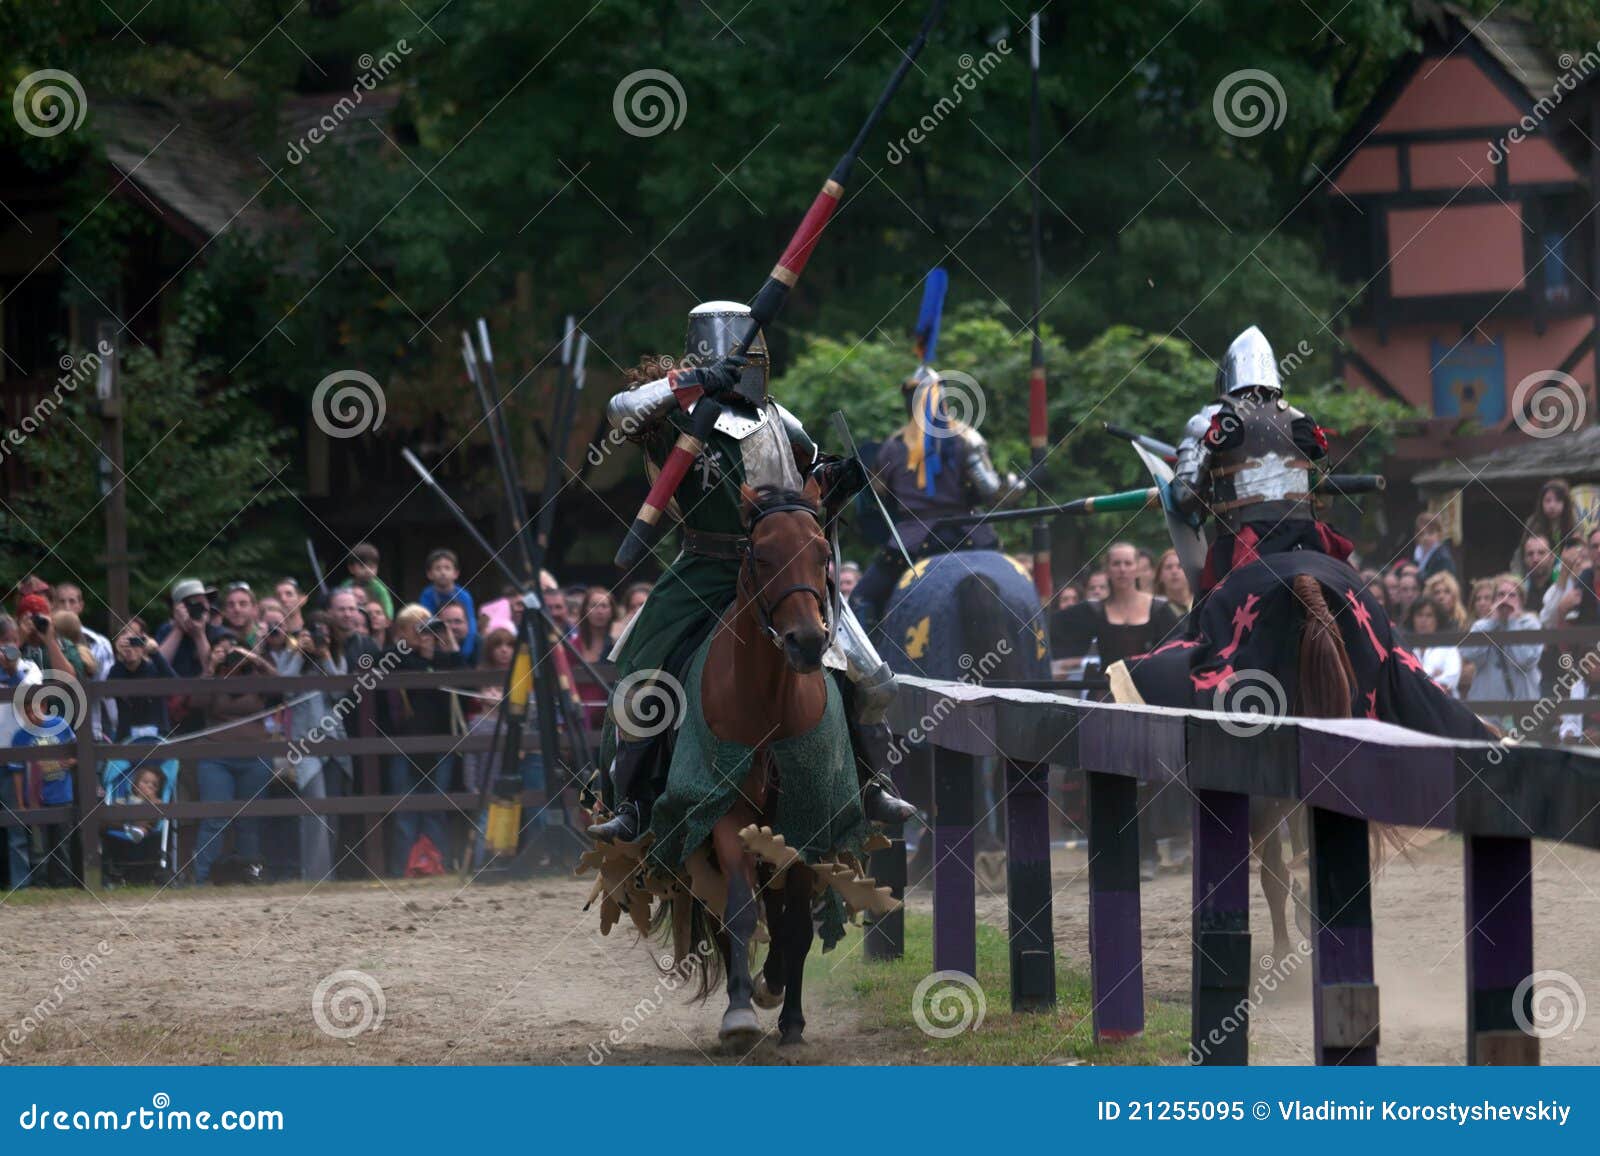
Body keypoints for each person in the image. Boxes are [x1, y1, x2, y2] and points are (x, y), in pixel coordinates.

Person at [589, 299, 912, 842]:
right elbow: (620, 410)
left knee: (869, 674)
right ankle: (637, 802)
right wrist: (689, 383)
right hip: (702, 568)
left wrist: (840, 477)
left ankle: (868, 783)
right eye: (734, 362)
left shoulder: (778, 420)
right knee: (644, 676)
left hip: (779, 569)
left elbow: (807, 483)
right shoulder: (674, 418)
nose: (747, 370)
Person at [1169, 325, 1344, 595]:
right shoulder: (1303, 423)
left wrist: (1205, 494)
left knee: (1205, 623)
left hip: (1245, 544)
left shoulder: (1211, 422)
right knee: (1351, 601)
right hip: (1307, 540)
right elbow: (1324, 497)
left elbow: (1184, 496)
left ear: (1227, 376)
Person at [849, 362, 1018, 627]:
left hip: (912, 540)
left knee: (862, 599)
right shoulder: (967, 438)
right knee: (1016, 585)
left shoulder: (893, 447)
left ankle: (863, 667)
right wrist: (1016, 484)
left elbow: (877, 498)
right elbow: (993, 494)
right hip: (970, 534)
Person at [1052, 542, 1185, 876]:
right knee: (1111, 776)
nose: (1123, 570)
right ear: (1108, 569)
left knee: (1152, 779)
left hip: (1148, 701)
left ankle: (1150, 852)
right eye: (1116, 564)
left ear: (1138, 567)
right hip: (1110, 703)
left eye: (1128, 563)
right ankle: (1116, 852)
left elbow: (1177, 652)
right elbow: (1055, 631)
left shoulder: (1159, 610)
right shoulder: (1095, 612)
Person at [381, 604, 465, 874]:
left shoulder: (439, 658)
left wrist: (447, 641)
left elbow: (460, 673)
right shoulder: (392, 658)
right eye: (417, 627)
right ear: (403, 632)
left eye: (427, 625)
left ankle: (436, 866)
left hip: (439, 745)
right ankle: (401, 870)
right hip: (403, 745)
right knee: (405, 812)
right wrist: (426, 655)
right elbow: (412, 675)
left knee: (436, 811)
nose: (424, 632)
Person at [192, 642, 275, 884]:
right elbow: (196, 702)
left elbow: (283, 686)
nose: (231, 656)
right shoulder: (213, 675)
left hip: (255, 757)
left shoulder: (256, 675)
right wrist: (211, 666)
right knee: (215, 817)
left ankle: (250, 875)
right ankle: (202, 878)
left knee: (250, 819)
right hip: (216, 757)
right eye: (224, 650)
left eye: (234, 651)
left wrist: (256, 659)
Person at [277, 610, 349, 883]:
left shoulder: (337, 658)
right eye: (314, 632)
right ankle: (316, 877)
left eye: (325, 634)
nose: (320, 638)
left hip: (334, 740)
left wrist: (327, 656)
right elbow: (286, 689)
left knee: (330, 813)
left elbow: (340, 692)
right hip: (305, 743)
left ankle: (327, 874)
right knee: (314, 808)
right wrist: (298, 653)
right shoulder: (290, 656)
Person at [1461, 575, 1543, 730]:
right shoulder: (1483, 626)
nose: (1505, 600)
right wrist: (1493, 622)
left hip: (1522, 711)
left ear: (1521, 600)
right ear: (1494, 600)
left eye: (1511, 595)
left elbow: (1525, 660)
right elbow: (1470, 654)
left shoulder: (1530, 624)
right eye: (1500, 595)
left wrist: (1512, 624)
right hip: (1487, 711)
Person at [0, 615, 43, 888]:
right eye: (4, 642)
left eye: (14, 641)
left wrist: (13, 672)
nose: (10, 648)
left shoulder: (30, 669)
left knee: (17, 828)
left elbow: (28, 698)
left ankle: (21, 885)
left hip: (15, 761)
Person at [156, 578, 224, 680]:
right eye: (194, 603)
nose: (201, 608)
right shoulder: (166, 630)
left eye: (204, 602)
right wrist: (178, 629)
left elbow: (212, 671)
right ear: (177, 608)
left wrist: (199, 635)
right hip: (171, 692)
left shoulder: (216, 631)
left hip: (203, 693)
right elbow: (157, 668)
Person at [418, 548, 477, 663]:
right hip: (439, 638)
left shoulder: (464, 596)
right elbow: (426, 623)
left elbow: (471, 625)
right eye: (438, 568)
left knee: (477, 639)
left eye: (447, 568)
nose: (443, 572)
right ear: (429, 574)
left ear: (456, 573)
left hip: (461, 638)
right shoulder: (426, 595)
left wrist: (463, 653)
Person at [1404, 598, 1461, 698]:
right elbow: (1403, 682)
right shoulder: (1403, 647)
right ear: (1412, 619)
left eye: (1429, 615)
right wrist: (1433, 676)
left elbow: (1449, 682)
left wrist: (1418, 681)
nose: (1423, 620)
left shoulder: (1448, 648)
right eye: (1419, 615)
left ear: (1437, 620)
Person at [1516, 480, 1578, 572]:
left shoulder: (1574, 523)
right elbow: (1522, 553)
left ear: (1566, 504)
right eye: (1548, 501)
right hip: (1539, 571)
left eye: (1558, 501)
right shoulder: (1533, 523)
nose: (1552, 505)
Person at [342, 541, 396, 619]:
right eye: (362, 566)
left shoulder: (378, 588)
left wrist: (388, 618)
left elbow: (387, 605)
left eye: (372, 567)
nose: (367, 570)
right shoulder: (346, 586)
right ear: (351, 568)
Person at [1413, 511, 1457, 582]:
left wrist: (1417, 574)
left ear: (1439, 534)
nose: (1426, 537)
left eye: (1430, 533)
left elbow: (1437, 585)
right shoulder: (1418, 553)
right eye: (1421, 534)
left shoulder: (1443, 558)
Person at [1520, 533, 1556, 611]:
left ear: (1552, 558)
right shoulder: (1519, 592)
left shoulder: (1561, 587)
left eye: (1541, 553)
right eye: (1530, 554)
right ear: (1524, 559)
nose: (1535, 559)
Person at [219, 582, 261, 647]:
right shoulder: (217, 639)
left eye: (243, 604)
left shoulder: (266, 637)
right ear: (224, 611)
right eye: (231, 605)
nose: (237, 609)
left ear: (254, 609)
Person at [1155, 548, 1193, 617]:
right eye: (1168, 567)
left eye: (1180, 566)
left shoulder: (1204, 603)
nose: (1174, 571)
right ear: (1160, 575)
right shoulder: (1154, 610)